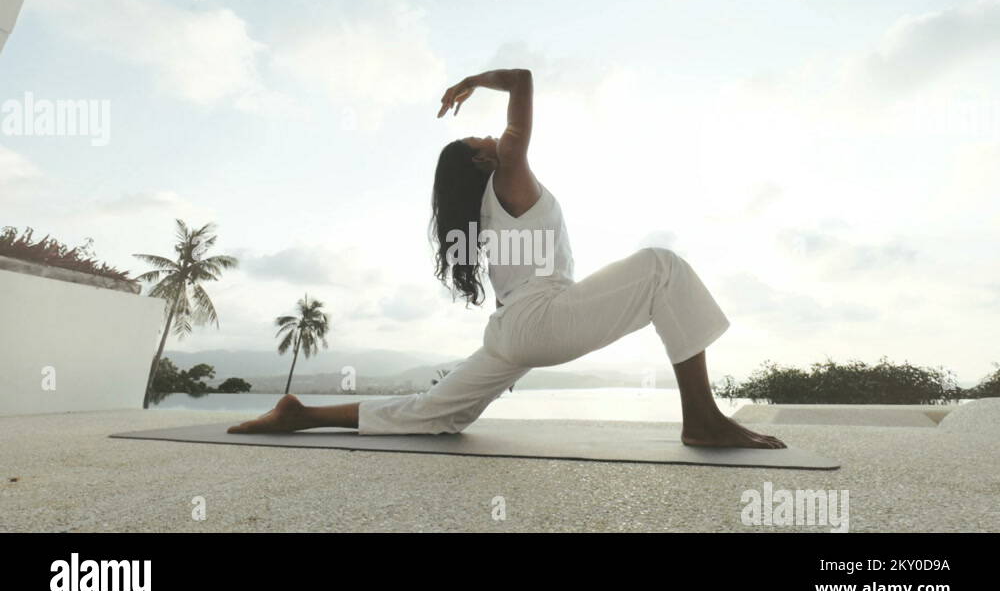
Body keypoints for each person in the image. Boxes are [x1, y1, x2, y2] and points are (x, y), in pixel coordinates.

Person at [229, 68, 785, 449]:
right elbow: (523, 78)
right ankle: (703, 419)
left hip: (512, 328)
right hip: (541, 318)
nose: (488, 138)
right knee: (662, 267)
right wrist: (473, 81)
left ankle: (299, 414)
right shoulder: (507, 174)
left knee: (433, 413)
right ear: (479, 162)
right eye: (478, 139)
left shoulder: (488, 210)